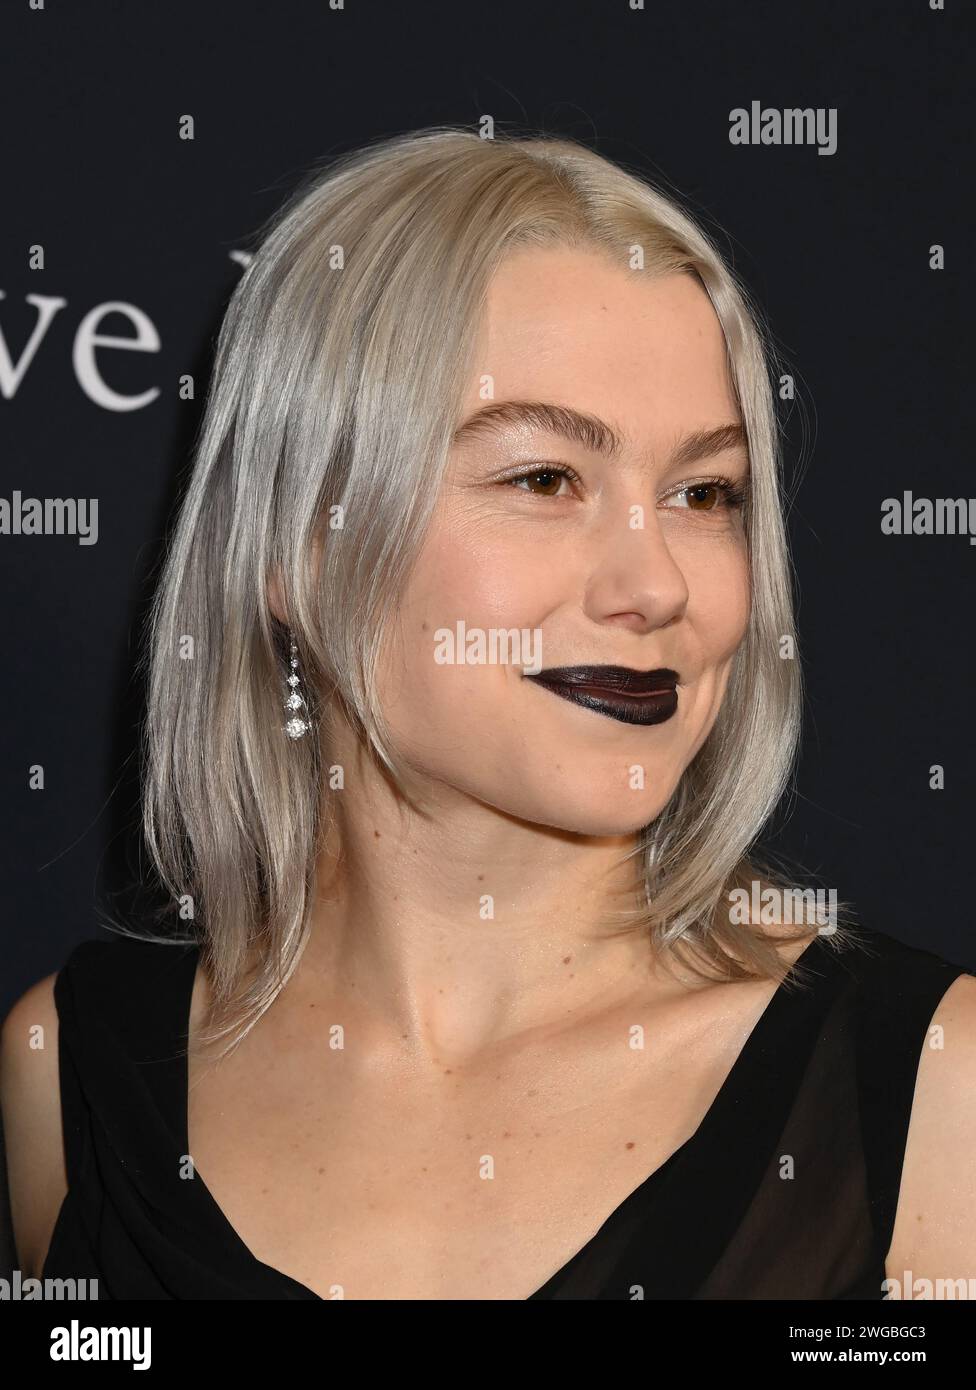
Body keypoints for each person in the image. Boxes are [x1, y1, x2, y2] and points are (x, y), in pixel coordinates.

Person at [2, 127, 974, 1301]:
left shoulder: (930, 1097)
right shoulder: (69, 1072)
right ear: (305, 545)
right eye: (545, 480)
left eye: (703, 492)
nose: (658, 583)